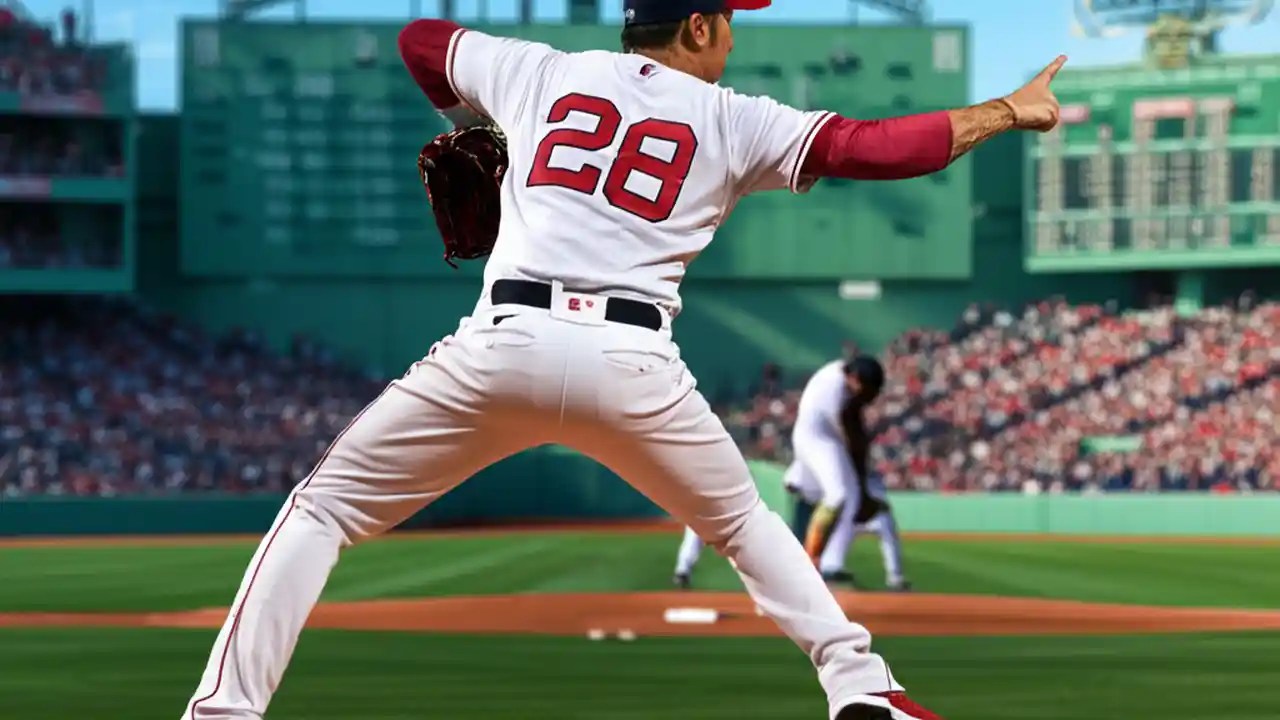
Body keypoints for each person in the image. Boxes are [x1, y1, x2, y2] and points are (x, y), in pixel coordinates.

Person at [178, 1, 1065, 718]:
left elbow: (417, 41)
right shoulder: (734, 116)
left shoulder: (541, 71)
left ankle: (223, 711)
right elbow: (868, 147)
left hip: (502, 345)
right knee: (747, 527)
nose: (732, 34)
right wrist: (1008, 111)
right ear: (699, 28)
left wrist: (474, 124)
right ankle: (860, 687)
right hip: (631, 358)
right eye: (729, 19)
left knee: (323, 510)